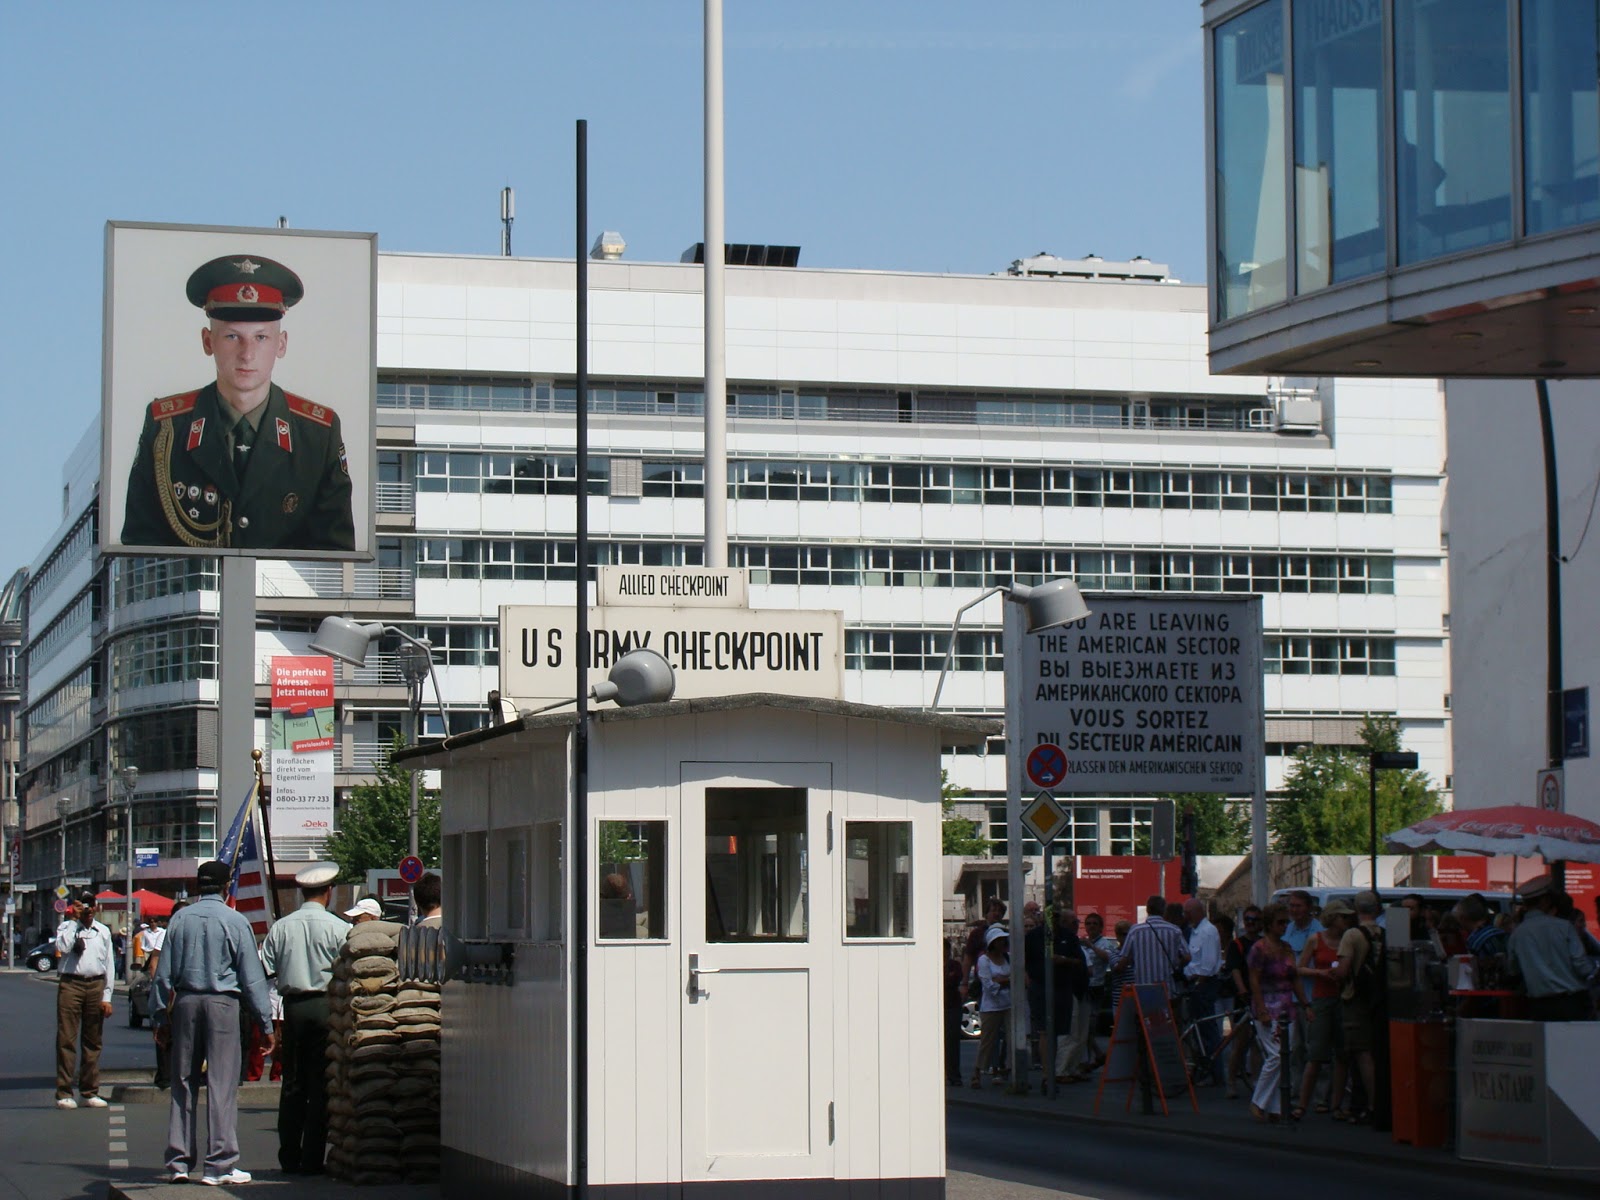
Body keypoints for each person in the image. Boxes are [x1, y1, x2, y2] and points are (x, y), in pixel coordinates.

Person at [121, 254, 354, 551]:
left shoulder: (318, 434)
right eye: (232, 336)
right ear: (208, 342)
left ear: (280, 344)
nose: (247, 354)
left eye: (260, 338)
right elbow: (140, 550)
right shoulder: (167, 427)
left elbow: (336, 557)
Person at [151, 862, 272, 1185]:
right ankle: (219, 1164)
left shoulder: (179, 919)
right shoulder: (235, 921)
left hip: (186, 1002)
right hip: (223, 1004)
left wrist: (160, 1015)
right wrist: (266, 1023)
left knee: (183, 1081)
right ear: (226, 885)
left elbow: (163, 975)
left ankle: (179, 1162)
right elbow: (252, 979)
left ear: (197, 885)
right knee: (221, 1082)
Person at [261, 863, 348, 1175]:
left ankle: (289, 1157)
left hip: (293, 1007)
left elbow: (266, 970)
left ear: (301, 892)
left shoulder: (281, 927)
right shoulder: (339, 928)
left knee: (293, 1084)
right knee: (320, 1085)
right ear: (328, 891)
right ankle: (313, 1158)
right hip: (326, 1007)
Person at [1113, 895, 1190, 1113]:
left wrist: (1119, 967)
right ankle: (1170, 1078)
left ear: (1147, 910)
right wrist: (1172, 962)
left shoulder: (1136, 931)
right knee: (1168, 1036)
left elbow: (1124, 959)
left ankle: (1150, 1080)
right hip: (1168, 992)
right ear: (1163, 910)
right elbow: (1187, 957)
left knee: (1146, 1039)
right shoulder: (1174, 931)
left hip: (1144, 993)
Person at [53, 890, 115, 1109]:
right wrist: (74, 922)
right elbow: (62, 947)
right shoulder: (66, 927)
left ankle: (89, 1091)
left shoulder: (103, 931)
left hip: (96, 984)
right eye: (83, 905)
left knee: (93, 1040)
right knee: (66, 1038)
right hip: (71, 983)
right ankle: (64, 1092)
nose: (88, 910)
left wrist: (107, 996)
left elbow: (109, 965)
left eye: (91, 905)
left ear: (96, 908)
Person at [1328, 891, 1384, 1123]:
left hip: (1355, 999)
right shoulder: (1383, 932)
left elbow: (1342, 971)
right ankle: (1363, 1103)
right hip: (1377, 999)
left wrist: (1332, 971)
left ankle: (1371, 1105)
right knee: (1369, 1052)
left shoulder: (1352, 934)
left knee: (1361, 1054)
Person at [1507, 876, 1596, 1021]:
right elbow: (1583, 967)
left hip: (1539, 1006)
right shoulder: (1564, 927)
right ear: (1545, 901)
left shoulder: (1517, 934)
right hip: (1572, 1003)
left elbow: (1513, 970)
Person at [1294, 897, 1352, 1120]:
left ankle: (1334, 1104)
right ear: (1333, 918)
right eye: (1342, 916)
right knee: (1316, 1054)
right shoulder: (1315, 940)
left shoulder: (1348, 939)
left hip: (1343, 999)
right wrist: (1320, 973)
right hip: (1322, 998)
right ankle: (1303, 1103)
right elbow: (1299, 969)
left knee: (1342, 1054)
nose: (1346, 920)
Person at [1247, 902, 1298, 1122]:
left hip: (1287, 1007)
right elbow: (1254, 981)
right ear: (1269, 924)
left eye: (1286, 922)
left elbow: (1293, 977)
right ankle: (1258, 1101)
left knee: (1284, 1057)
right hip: (1267, 1006)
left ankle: (1275, 1107)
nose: (1285, 926)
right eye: (1280, 922)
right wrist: (1261, 1009)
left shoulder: (1286, 947)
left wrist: (1305, 1004)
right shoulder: (1259, 948)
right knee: (1277, 1055)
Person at [1181, 898, 1225, 1086]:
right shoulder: (1195, 932)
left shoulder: (1208, 932)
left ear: (1198, 911)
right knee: (1199, 1030)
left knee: (1207, 1030)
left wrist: (1195, 980)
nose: (1186, 916)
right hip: (1196, 983)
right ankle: (1205, 1070)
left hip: (1203, 984)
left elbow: (1207, 966)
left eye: (1188, 912)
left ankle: (1214, 1072)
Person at [1225, 905, 1263, 1098]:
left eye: (1254, 920)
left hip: (1261, 996)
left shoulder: (1264, 944)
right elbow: (1235, 969)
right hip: (1244, 998)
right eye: (1247, 919)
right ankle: (1231, 1081)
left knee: (1257, 1042)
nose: (1250, 923)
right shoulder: (1237, 944)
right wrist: (1242, 990)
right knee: (1240, 1042)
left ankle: (1256, 1080)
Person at [971, 927, 1012, 1089]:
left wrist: (1001, 980)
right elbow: (988, 984)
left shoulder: (1008, 958)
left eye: (1003, 940)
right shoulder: (984, 960)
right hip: (991, 1006)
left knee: (1011, 1039)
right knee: (988, 1041)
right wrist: (1004, 981)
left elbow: (1016, 977)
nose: (1003, 943)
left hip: (1009, 1003)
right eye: (999, 940)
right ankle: (978, 1071)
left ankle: (1007, 1069)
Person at [1078, 912, 1117, 1072]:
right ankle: (1092, 1056)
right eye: (1088, 924)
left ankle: (1095, 1055)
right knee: (1083, 1026)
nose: (1091, 926)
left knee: (1090, 1026)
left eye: (1095, 924)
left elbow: (1108, 958)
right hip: (1084, 986)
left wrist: (1091, 946)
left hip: (1097, 987)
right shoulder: (1082, 942)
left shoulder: (1104, 943)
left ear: (1100, 927)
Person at [959, 897, 1005, 1006]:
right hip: (982, 984)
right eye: (993, 910)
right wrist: (964, 984)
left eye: (999, 911)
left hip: (1004, 984)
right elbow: (968, 960)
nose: (996, 914)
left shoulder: (1006, 933)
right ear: (986, 914)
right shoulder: (977, 934)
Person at [942, 939, 965, 1086]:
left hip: (952, 1006)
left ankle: (954, 1075)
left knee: (952, 1041)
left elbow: (954, 980)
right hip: (938, 1006)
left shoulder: (954, 965)